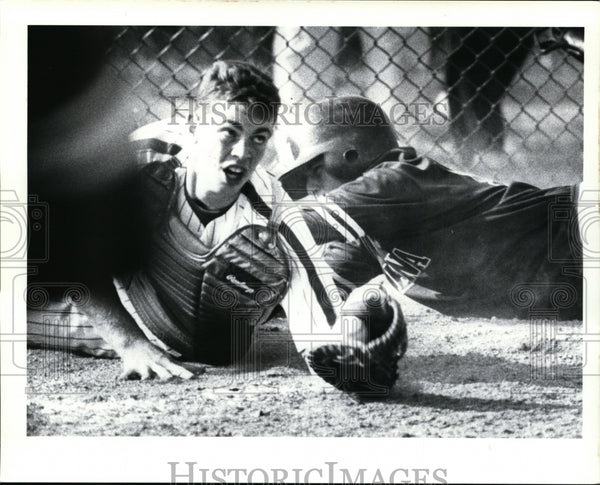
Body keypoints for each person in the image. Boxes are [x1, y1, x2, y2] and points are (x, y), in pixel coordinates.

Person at [28, 62, 405, 394]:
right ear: (195, 126)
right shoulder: (143, 158)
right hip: (109, 311)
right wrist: (130, 344)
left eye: (259, 137)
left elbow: (324, 333)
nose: (244, 153)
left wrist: (356, 357)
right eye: (229, 132)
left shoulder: (273, 212)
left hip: (210, 340)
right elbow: (74, 247)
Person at [276, 95, 583, 321]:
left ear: (350, 155)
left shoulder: (393, 179)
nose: (311, 188)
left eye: (314, 171)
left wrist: (241, 224)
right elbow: (318, 288)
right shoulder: (370, 235)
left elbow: (300, 227)